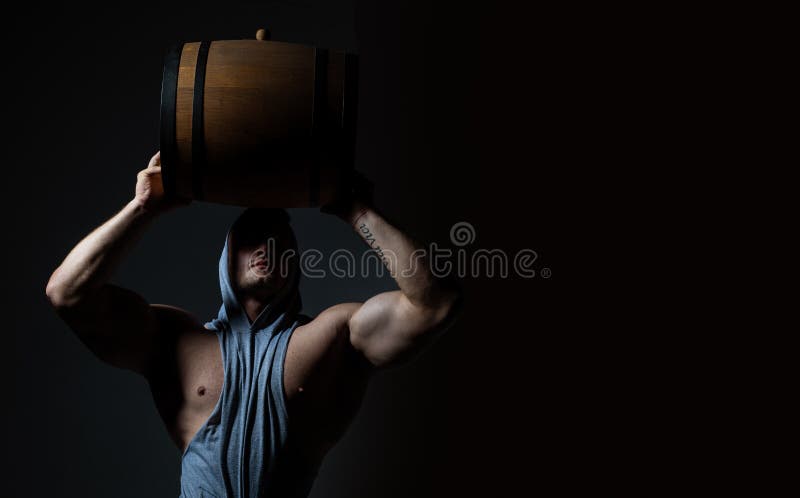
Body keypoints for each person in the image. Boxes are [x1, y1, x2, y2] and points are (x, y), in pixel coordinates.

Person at [45, 151, 464, 497]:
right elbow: (67, 293)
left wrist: (359, 213)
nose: (266, 246)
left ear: (295, 264)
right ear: (225, 258)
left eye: (280, 240)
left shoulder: (332, 335)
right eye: (252, 237)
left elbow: (435, 305)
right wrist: (141, 209)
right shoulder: (175, 340)